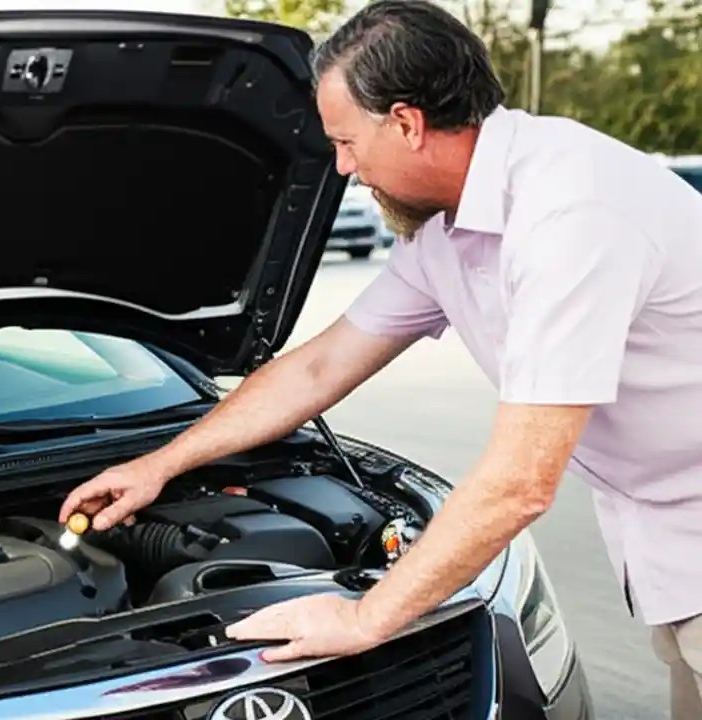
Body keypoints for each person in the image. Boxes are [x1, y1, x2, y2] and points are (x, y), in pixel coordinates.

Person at [57, 1, 702, 716]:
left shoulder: (569, 216)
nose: (343, 165)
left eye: (346, 140)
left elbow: (520, 481)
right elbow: (319, 366)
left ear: (406, 122)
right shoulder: (443, 235)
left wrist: (364, 618)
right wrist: (158, 466)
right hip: (670, 555)